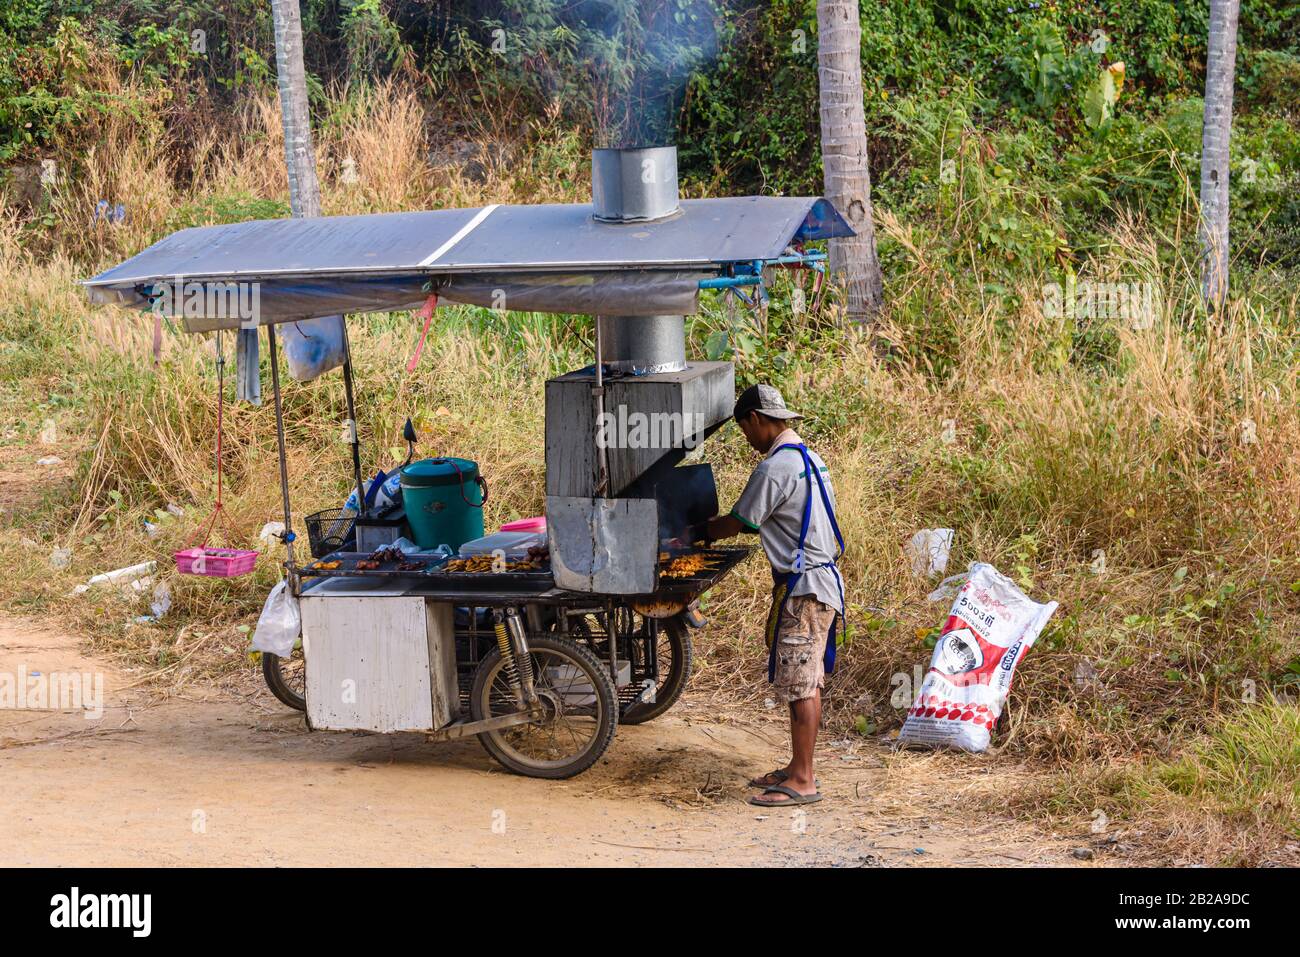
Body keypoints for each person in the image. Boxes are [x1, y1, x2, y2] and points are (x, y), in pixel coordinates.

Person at [689, 384, 845, 807]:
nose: (748, 441)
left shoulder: (774, 468)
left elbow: (739, 523)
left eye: (744, 431)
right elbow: (767, 522)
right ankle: (797, 767)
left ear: (756, 419)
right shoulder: (809, 459)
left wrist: (694, 533)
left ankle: (804, 780)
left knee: (802, 683)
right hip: (819, 580)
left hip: (806, 589)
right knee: (803, 678)